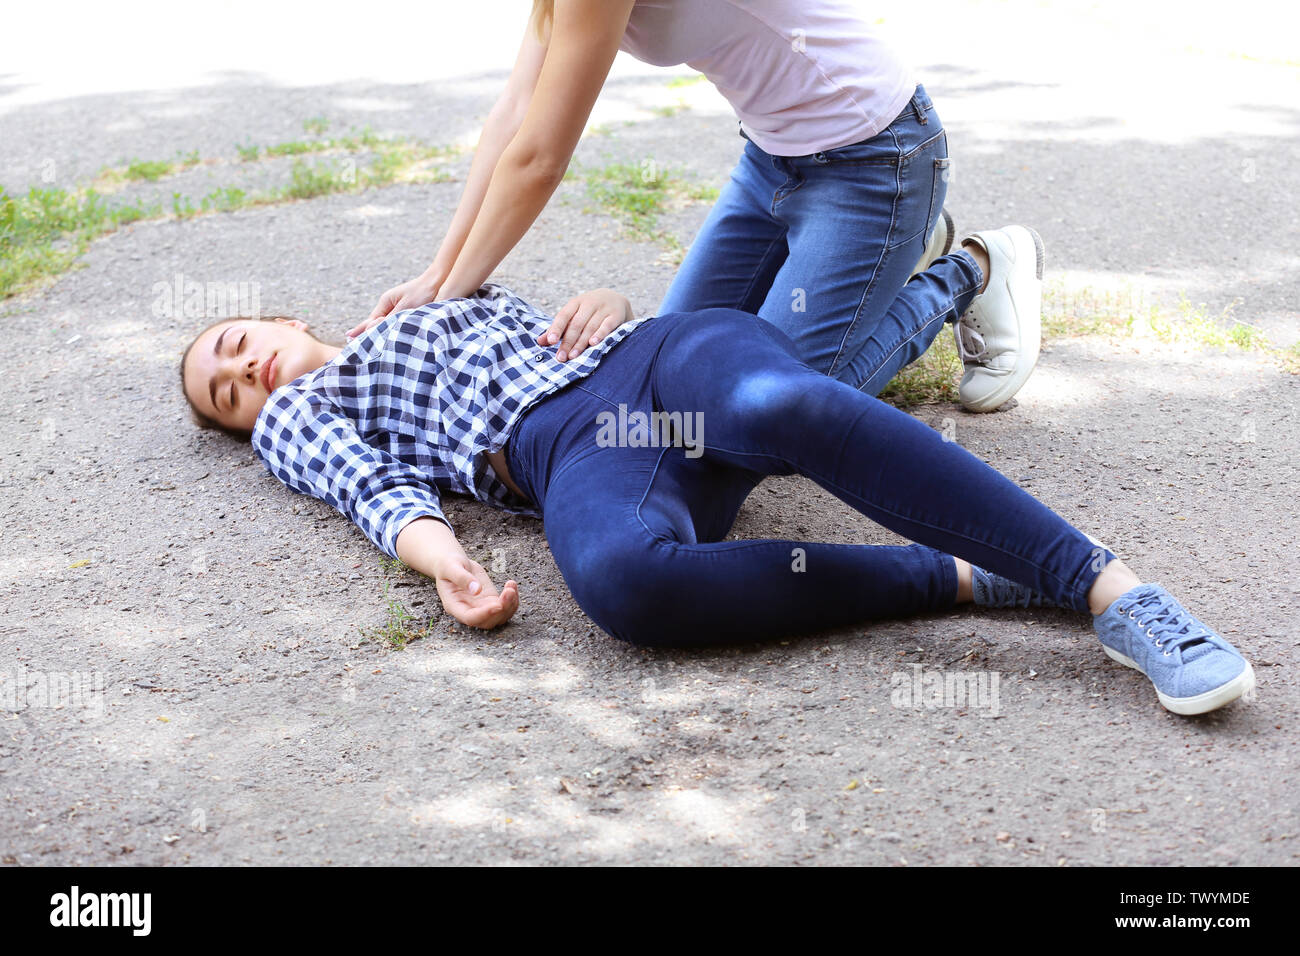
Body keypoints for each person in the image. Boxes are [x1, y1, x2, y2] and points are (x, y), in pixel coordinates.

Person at [179, 230, 1254, 717]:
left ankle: (1115, 593)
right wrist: (446, 563)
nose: (243, 372)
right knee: (626, 583)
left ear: (281, 318)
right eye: (224, 392)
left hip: (655, 352)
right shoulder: (305, 413)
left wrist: (598, 296)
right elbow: (374, 493)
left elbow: (543, 305)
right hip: (581, 453)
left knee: (790, 404)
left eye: (235, 344)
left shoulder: (414, 295)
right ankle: (966, 574)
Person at [351, 0, 1039, 412]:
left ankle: (974, 268)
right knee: (667, 391)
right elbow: (514, 114)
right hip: (770, 168)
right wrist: (439, 277)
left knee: (765, 414)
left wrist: (454, 291)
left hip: (877, 162)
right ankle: (898, 247)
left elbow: (539, 157)